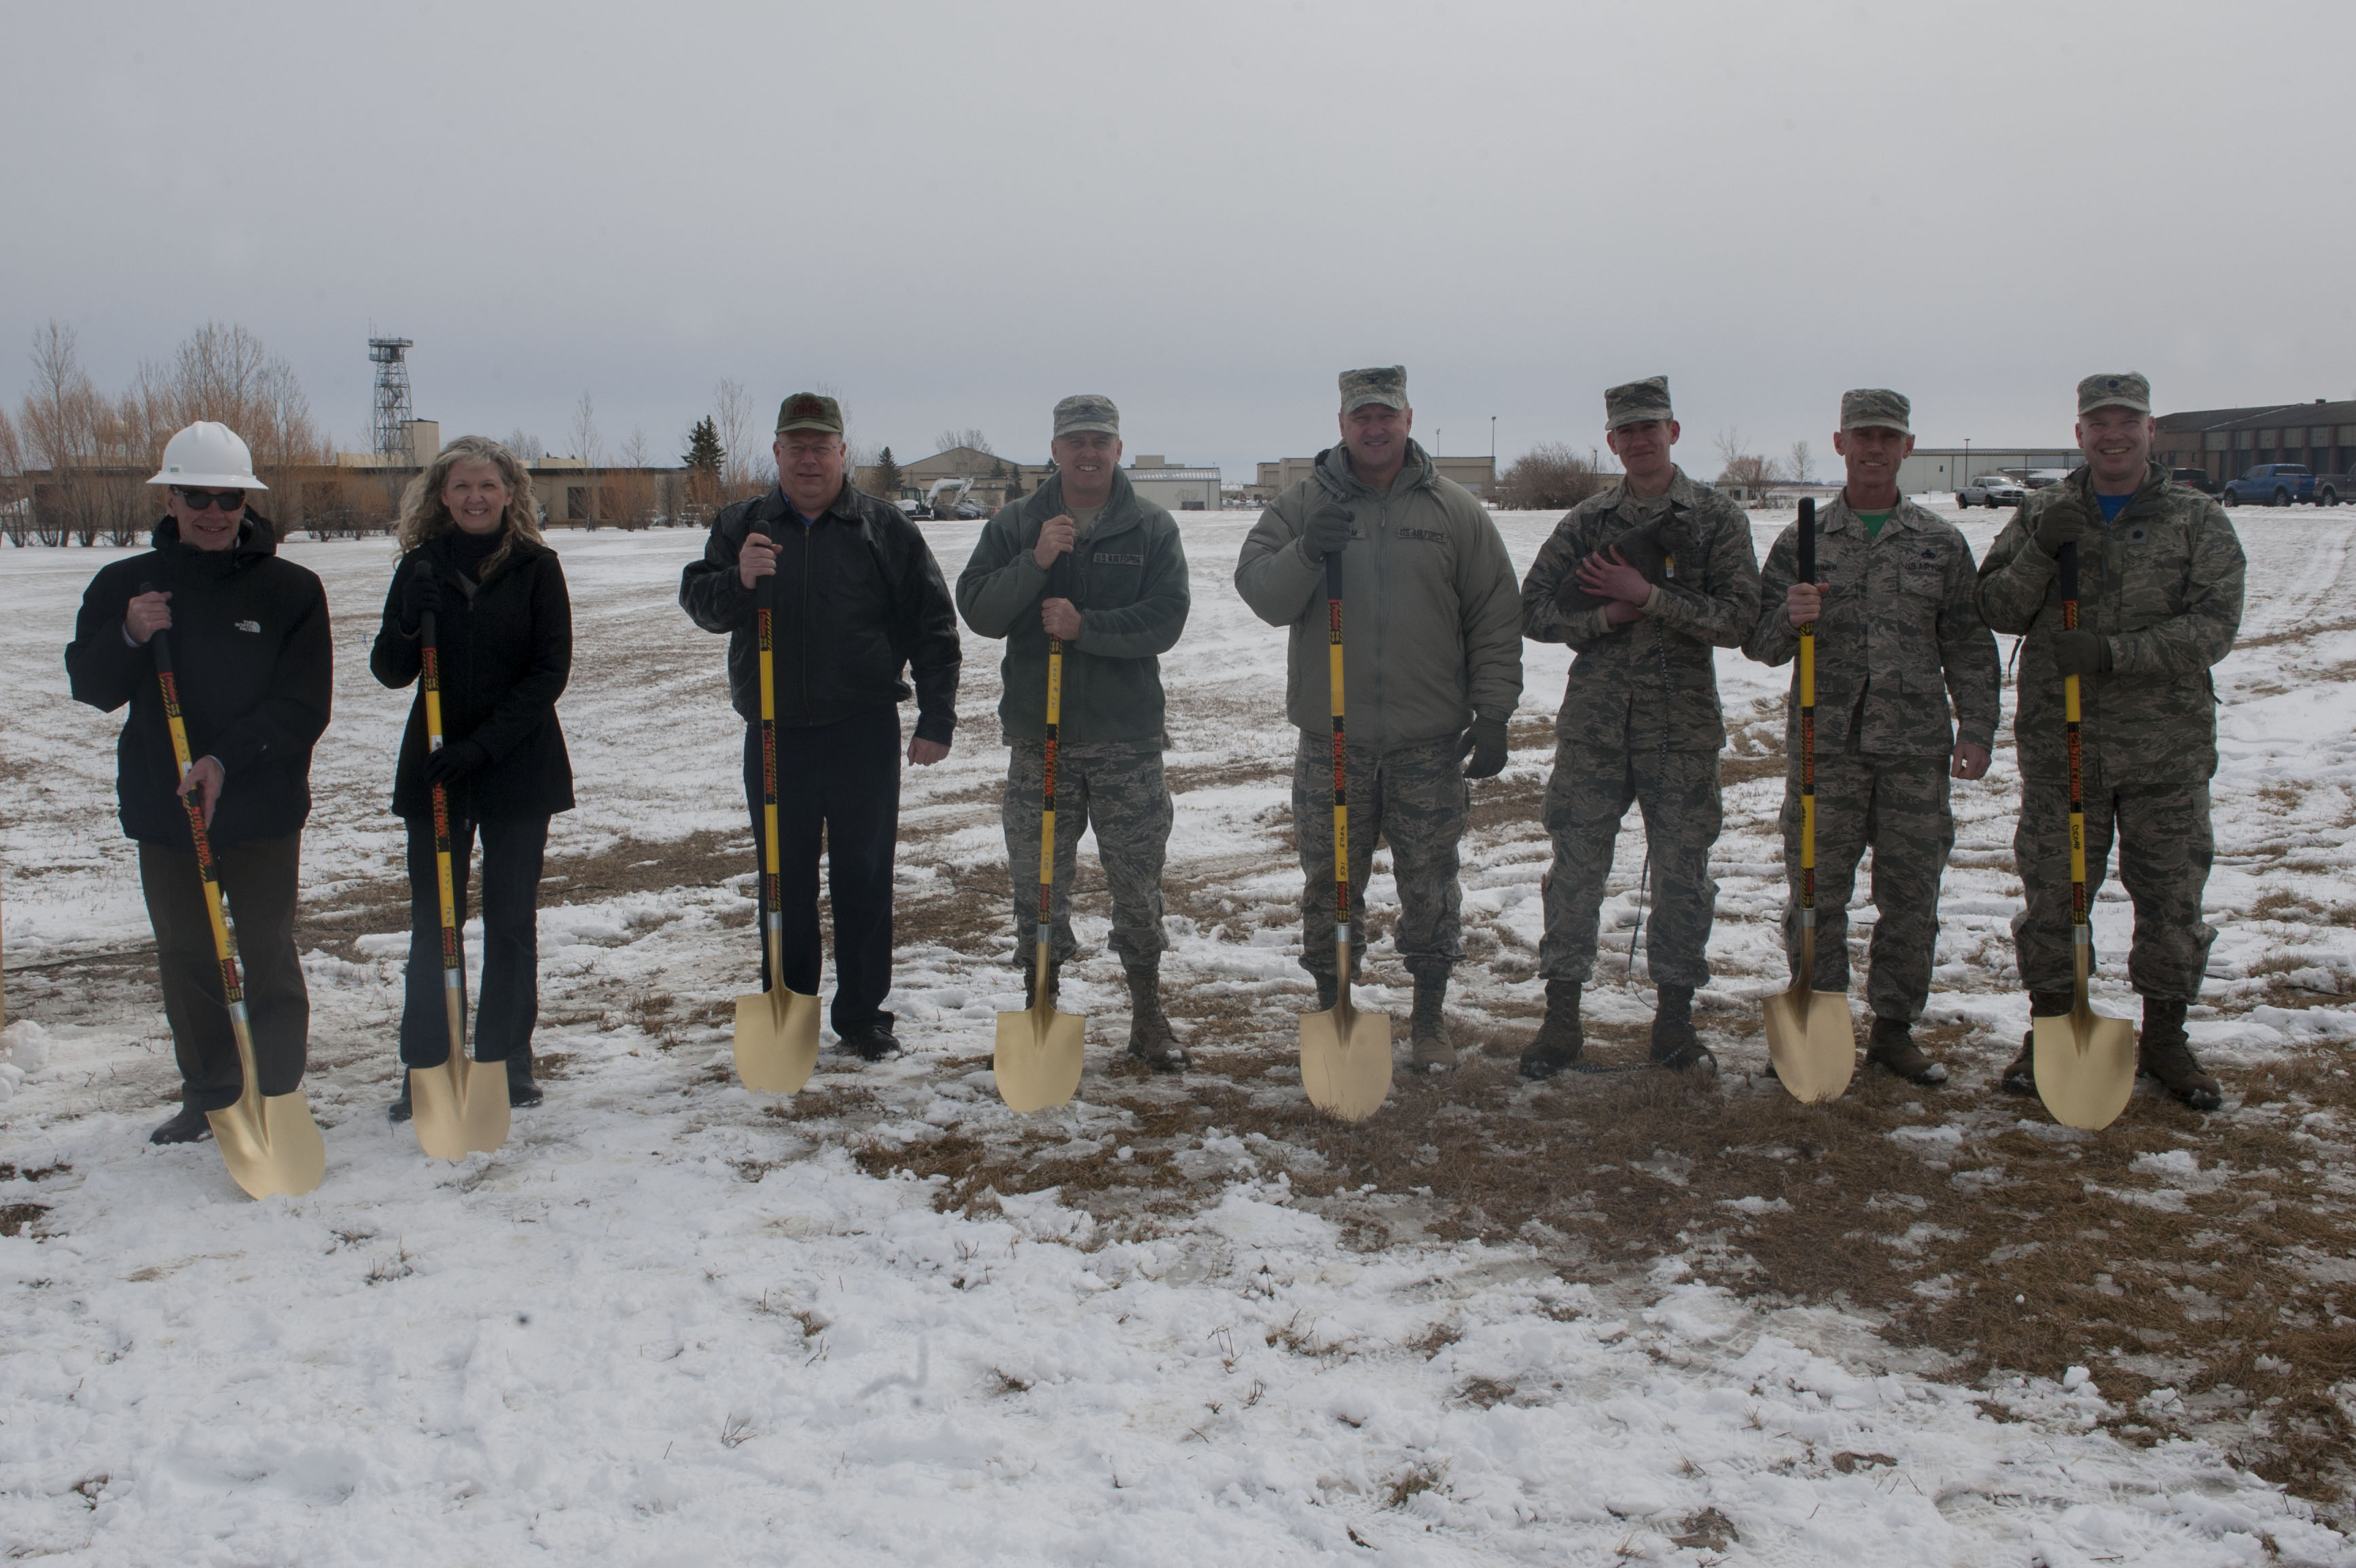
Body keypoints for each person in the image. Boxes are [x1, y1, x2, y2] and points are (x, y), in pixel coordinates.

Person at [1235, 367, 1523, 1073]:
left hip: (1429, 740)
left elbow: (1494, 612)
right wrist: (1308, 551)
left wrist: (1494, 711)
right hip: (1335, 738)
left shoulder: (1455, 510)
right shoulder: (1302, 504)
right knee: (1331, 881)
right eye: (1361, 417)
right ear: (1342, 424)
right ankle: (1334, 1000)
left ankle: (1429, 1017)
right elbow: (1262, 593)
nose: (1374, 428)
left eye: (1386, 416)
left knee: (1430, 882)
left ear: (1408, 419)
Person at [1976, 374, 2244, 1110]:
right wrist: (2041, 550)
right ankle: (2054, 1027)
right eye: (2099, 423)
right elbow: (1995, 605)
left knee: (2170, 898)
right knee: (2055, 896)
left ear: (2150, 430)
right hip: (2063, 750)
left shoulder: (2195, 518)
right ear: (2080, 434)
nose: (2113, 435)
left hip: (2166, 751)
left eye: (2128, 421)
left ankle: (2166, 1037)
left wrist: (2114, 654)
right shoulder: (2043, 512)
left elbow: (2214, 626)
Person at [64, 422, 332, 1144]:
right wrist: (127, 633)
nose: (214, 512)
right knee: (186, 953)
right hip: (167, 805)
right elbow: (91, 687)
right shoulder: (125, 586)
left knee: (267, 949)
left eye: (228, 498)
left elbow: (305, 705)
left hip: (261, 804)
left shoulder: (291, 590)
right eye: (197, 497)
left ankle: (276, 1093)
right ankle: (212, 1093)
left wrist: (224, 760)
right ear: (170, 499)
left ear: (247, 502)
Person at [679, 392, 961, 1061]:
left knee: (864, 878)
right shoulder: (743, 524)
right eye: (796, 447)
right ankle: (788, 1009)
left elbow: (932, 625)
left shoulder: (884, 527)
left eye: (821, 447)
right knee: (783, 882)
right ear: (777, 452)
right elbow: (702, 603)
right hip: (775, 734)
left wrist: (937, 717)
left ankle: (863, 1016)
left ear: (842, 452)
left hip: (862, 730)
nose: (809, 460)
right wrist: (739, 580)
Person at [1742, 390, 2000, 1084]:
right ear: (1840, 444)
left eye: (1888, 437)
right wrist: (1790, 617)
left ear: (1908, 446)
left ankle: (1894, 1029)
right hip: (1825, 750)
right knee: (1815, 892)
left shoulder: (1939, 542)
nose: (1874, 448)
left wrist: (1976, 726)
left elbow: (1968, 642)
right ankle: (1818, 1020)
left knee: (1910, 895)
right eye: (1862, 436)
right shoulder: (1803, 541)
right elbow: (1759, 643)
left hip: (1915, 750)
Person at [1517, 377, 1762, 1078]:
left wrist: (1650, 597)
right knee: (1575, 872)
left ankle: (1674, 1023)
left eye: (1650, 427)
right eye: (1626, 431)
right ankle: (1562, 1021)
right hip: (1595, 728)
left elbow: (1740, 619)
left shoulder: (1715, 519)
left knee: (1683, 877)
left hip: (1681, 730)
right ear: (1612, 442)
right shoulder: (1589, 521)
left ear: (1673, 432)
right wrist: (1606, 616)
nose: (1640, 440)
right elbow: (1533, 609)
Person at [956, 395, 1192, 1071]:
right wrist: (1034, 563)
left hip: (1127, 742)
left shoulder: (1150, 526)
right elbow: (979, 610)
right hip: (1042, 742)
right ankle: (1041, 1004)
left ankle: (1148, 1016)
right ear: (1055, 449)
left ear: (1118, 448)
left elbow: (1167, 617)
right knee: (1038, 887)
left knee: (1137, 888)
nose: (1088, 452)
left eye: (1100, 441)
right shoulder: (1016, 524)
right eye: (1076, 441)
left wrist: (1086, 628)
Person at [372, 436, 574, 1119]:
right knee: (436, 921)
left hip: (517, 765)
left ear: (511, 493)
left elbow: (549, 672)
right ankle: (427, 1064)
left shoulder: (537, 568)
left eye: (488, 485)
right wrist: (408, 621)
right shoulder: (420, 567)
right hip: (436, 767)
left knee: (511, 920)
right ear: (441, 494)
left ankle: (505, 1061)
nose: (475, 498)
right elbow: (390, 671)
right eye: (461, 486)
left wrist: (482, 748)